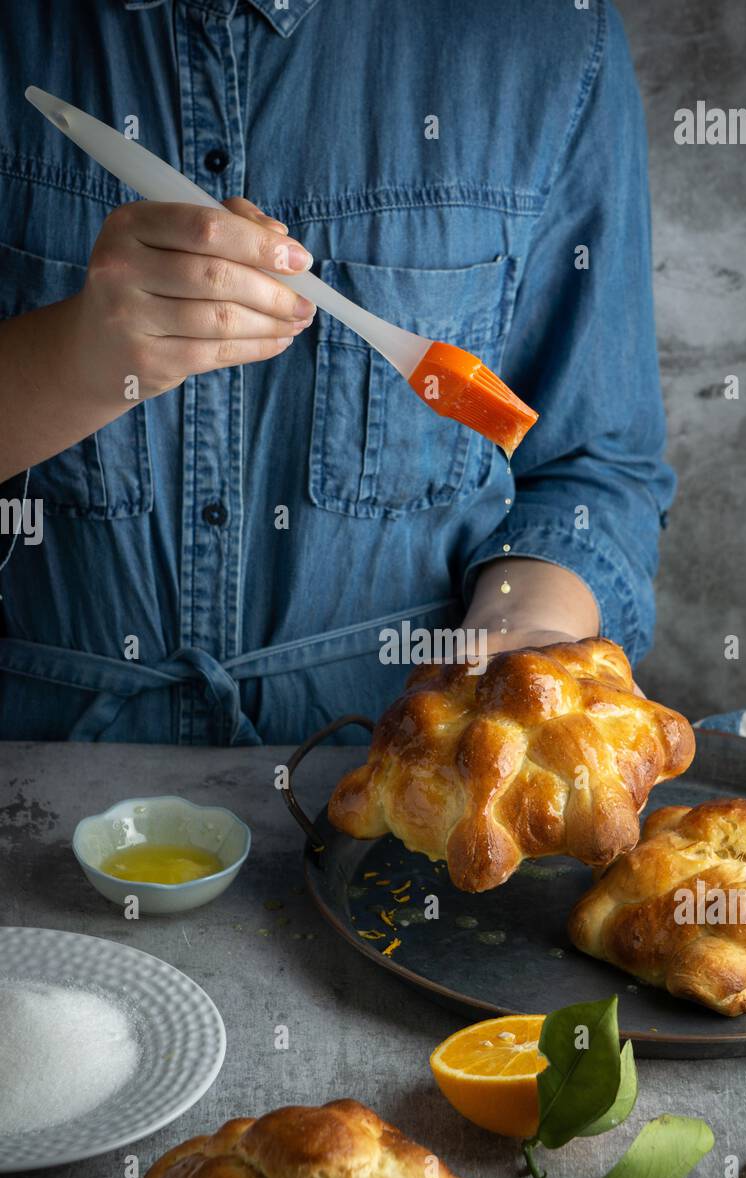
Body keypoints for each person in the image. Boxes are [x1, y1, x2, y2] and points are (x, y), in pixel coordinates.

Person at [0, 0, 673, 745]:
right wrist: (66, 362)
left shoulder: (551, 35)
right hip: (35, 774)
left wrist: (530, 623)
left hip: (396, 773)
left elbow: (592, 467)